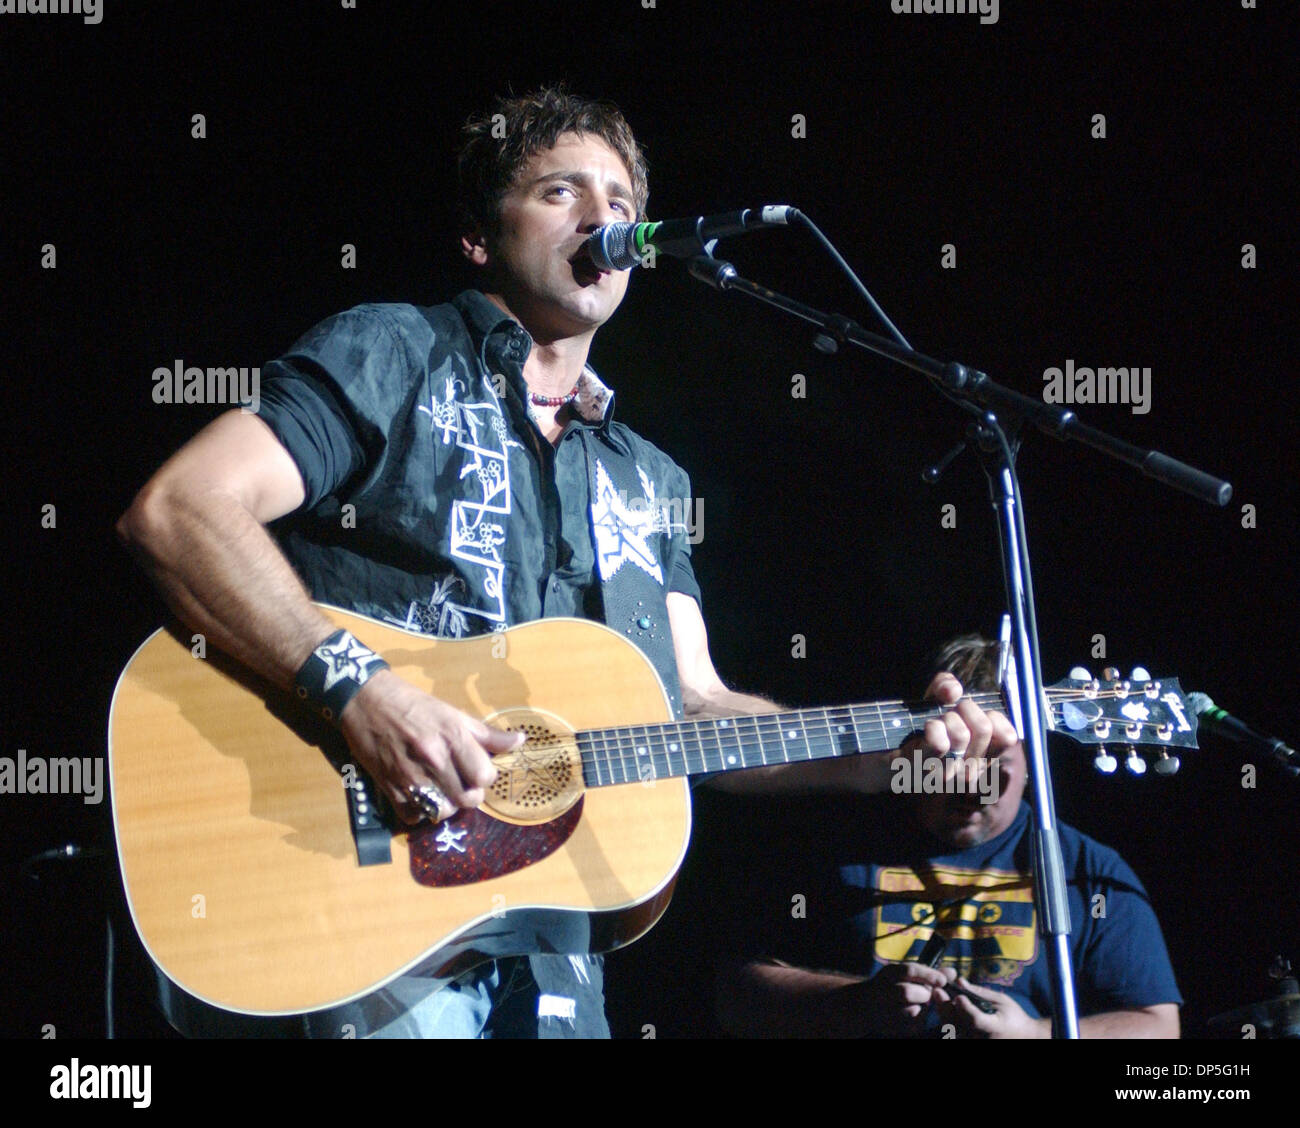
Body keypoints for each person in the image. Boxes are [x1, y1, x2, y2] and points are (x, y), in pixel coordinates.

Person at [116, 87, 1017, 1037]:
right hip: (354, 910)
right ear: (478, 235)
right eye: (561, 192)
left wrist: (888, 757)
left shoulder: (649, 479)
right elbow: (181, 509)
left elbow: (693, 710)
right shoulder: (395, 351)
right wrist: (365, 695)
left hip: (550, 951)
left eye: (623, 203)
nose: (604, 221)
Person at [713, 635, 1183, 1038]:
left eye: (995, 763)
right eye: (953, 764)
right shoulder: (835, 842)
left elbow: (1159, 1026)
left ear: (1032, 764)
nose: (971, 785)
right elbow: (735, 996)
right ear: (920, 748)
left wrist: (1037, 1033)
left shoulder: (1086, 868)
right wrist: (856, 1003)